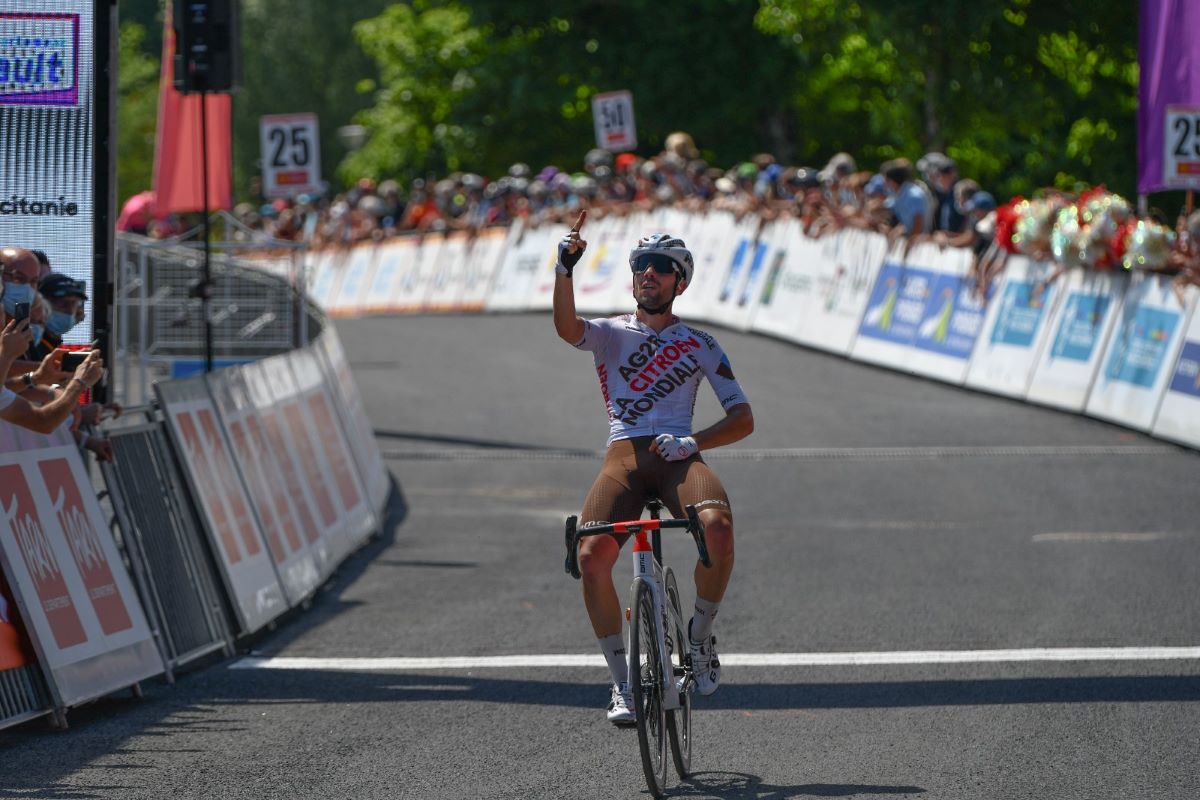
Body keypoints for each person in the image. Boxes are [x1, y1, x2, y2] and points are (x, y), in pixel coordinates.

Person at [552, 211, 754, 725]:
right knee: (593, 556)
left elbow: (743, 418)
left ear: (679, 282)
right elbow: (566, 327)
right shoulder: (611, 333)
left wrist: (694, 441)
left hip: (677, 459)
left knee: (719, 528)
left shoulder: (701, 344)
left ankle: (700, 638)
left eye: (662, 266)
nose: (649, 273)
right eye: (642, 264)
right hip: (623, 458)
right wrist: (564, 270)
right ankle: (622, 683)